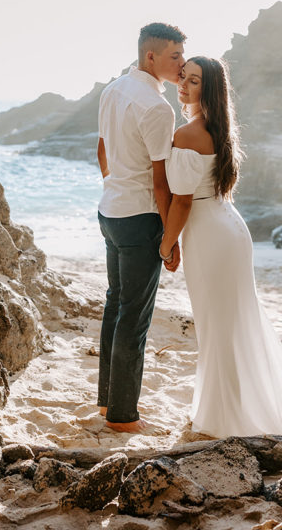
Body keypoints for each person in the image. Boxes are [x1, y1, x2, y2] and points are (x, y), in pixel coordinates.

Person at [159, 56, 282, 441]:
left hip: (209, 234)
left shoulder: (188, 134)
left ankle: (222, 417)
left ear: (209, 89)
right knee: (231, 324)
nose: (184, 85)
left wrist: (166, 246)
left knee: (219, 326)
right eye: (183, 77)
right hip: (226, 226)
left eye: (194, 81)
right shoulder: (219, 128)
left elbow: (180, 202)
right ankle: (223, 409)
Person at [96, 22, 186, 432]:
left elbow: (102, 148)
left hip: (111, 211)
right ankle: (123, 417)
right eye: (174, 56)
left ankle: (106, 404)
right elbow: (160, 181)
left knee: (116, 306)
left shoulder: (112, 90)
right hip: (138, 219)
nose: (181, 64)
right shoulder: (157, 107)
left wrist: (114, 187)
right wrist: (170, 239)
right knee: (134, 318)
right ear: (150, 56)